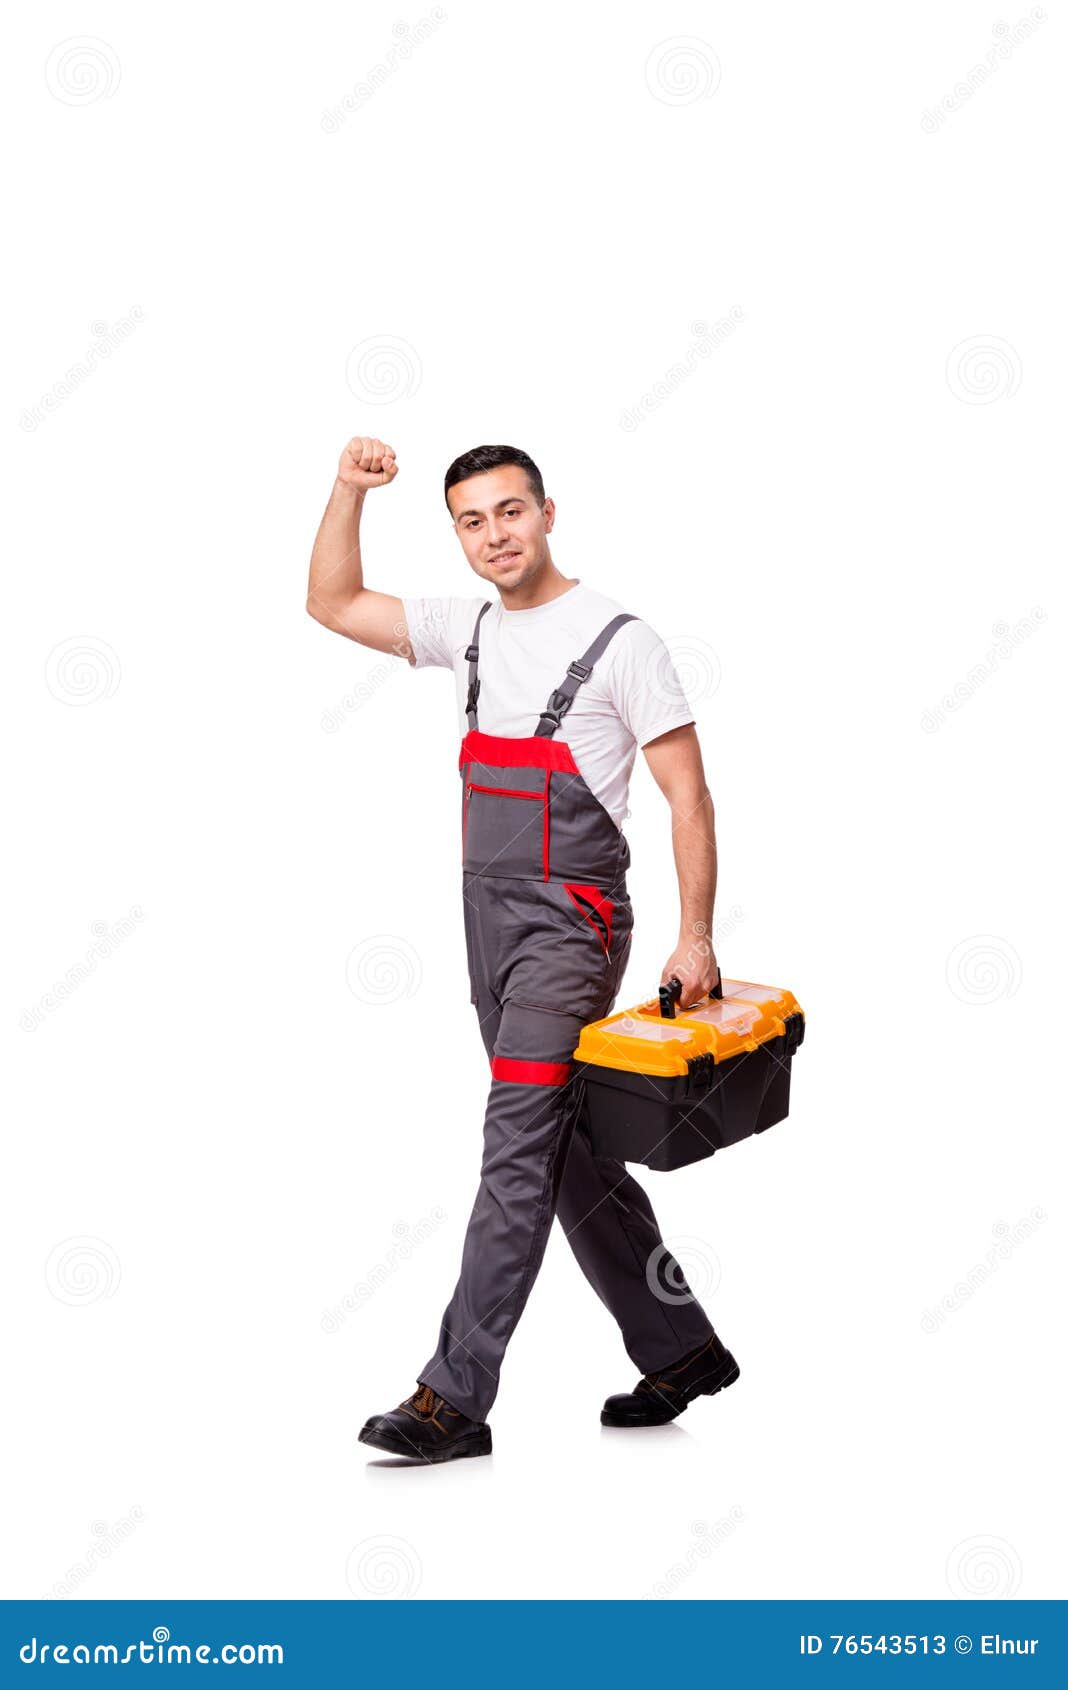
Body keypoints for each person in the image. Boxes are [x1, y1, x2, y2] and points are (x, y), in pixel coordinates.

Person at [306, 436, 739, 1464]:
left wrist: (695, 935)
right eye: (471, 520)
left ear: (548, 512)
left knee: (513, 1148)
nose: (495, 534)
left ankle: (453, 1396)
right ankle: (682, 1349)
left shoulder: (621, 640)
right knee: (563, 1144)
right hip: (486, 925)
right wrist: (347, 491)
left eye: (510, 511)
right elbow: (331, 600)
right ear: (457, 534)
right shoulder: (467, 633)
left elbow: (688, 797)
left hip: (573, 927)